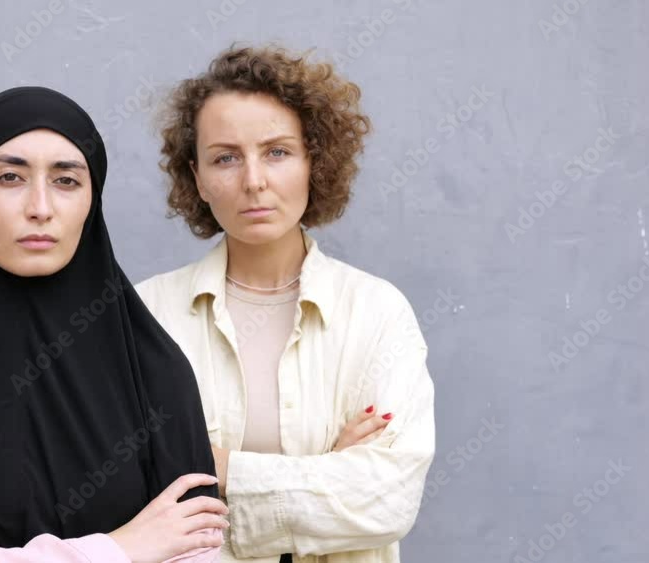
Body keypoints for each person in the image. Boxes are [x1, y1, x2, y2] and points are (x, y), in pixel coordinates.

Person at [0, 86, 227, 563]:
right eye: (10, 177)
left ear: (93, 201)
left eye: (67, 180)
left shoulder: (154, 373)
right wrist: (124, 547)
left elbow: (195, 552)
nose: (40, 207)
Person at [135, 45, 437, 562]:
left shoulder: (377, 311)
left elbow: (388, 500)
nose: (254, 180)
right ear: (198, 177)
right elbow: (119, 497)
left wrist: (225, 471)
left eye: (277, 151)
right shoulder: (146, 314)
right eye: (225, 157)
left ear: (313, 161)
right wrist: (325, 474)